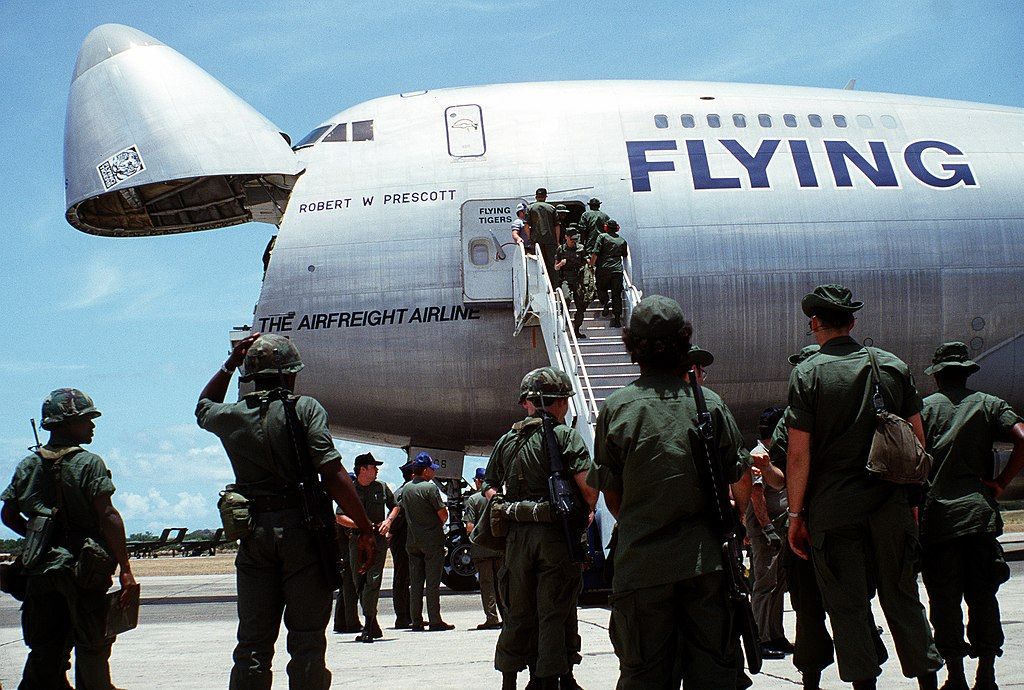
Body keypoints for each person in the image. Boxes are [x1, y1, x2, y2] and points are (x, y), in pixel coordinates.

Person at [588, 295, 753, 689]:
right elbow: (740, 475)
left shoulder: (616, 407)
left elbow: (612, 496)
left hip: (642, 566)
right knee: (714, 674)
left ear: (632, 346)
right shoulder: (708, 403)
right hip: (706, 566)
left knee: (645, 676)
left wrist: (644, 518)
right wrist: (737, 521)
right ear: (684, 342)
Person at [196, 332, 375, 689]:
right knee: (307, 643)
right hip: (303, 534)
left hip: (254, 536)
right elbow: (333, 473)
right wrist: (366, 527)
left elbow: (203, 405)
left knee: (252, 645)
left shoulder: (231, 416)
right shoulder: (305, 408)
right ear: (289, 374)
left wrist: (230, 363)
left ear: (250, 375)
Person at [785, 284, 942, 690]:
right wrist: (910, 500)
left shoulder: (808, 373)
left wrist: (797, 515)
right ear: (853, 321)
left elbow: (798, 455)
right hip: (889, 504)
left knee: (848, 607)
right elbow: (917, 442)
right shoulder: (890, 365)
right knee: (903, 598)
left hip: (833, 510)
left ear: (815, 323)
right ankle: (927, 681)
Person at [1, 388, 138, 690]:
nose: (92, 425)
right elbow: (108, 516)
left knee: (45, 650)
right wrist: (126, 569)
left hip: (39, 573)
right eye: (85, 419)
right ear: (64, 423)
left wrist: (39, 537)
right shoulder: (89, 463)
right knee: (93, 645)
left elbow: (8, 515)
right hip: (82, 572)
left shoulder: (28, 465)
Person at [482, 367, 598, 690]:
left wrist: (512, 507)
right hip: (553, 537)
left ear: (529, 403)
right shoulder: (563, 435)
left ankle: (509, 681)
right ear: (557, 403)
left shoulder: (507, 440)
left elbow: (489, 486)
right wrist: (582, 509)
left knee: (517, 611)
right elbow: (589, 490)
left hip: (517, 538)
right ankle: (546, 681)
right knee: (553, 611)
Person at [920, 342, 1024, 690]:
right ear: (966, 373)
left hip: (939, 522)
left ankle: (956, 677)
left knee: (944, 601)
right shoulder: (989, 404)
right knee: (982, 597)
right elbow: (1022, 437)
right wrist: (1001, 483)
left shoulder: (924, 410)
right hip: (979, 518)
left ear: (936, 377)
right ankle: (987, 676)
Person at [746, 407, 793, 661]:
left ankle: (775, 634)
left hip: (778, 529)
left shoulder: (772, 455)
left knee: (777, 584)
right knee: (764, 584)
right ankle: (760, 638)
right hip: (766, 532)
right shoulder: (758, 457)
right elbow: (756, 496)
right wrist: (767, 528)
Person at [337, 452, 398, 643]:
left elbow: (395, 506)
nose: (377, 469)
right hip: (357, 542)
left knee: (373, 581)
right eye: (373, 467)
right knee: (359, 583)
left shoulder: (381, 487)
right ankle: (373, 623)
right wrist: (360, 524)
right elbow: (339, 516)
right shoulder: (350, 490)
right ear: (363, 469)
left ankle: (368, 628)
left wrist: (388, 521)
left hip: (377, 542)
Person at [401, 452, 454, 631]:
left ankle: (416, 620)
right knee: (432, 584)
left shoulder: (406, 488)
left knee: (415, 584)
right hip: (432, 541)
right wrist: (435, 525)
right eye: (432, 469)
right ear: (425, 471)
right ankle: (434, 620)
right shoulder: (430, 488)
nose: (433, 472)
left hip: (413, 541)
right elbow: (443, 514)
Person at [463, 467, 503, 630]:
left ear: (479, 481)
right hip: (499, 548)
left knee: (487, 586)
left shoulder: (473, 500)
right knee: (502, 584)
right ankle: (507, 616)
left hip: (482, 550)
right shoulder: (500, 498)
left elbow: (470, 527)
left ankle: (492, 618)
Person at [390, 459, 415, 629]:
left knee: (407, 577)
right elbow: (398, 516)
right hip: (402, 540)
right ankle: (402, 616)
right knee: (401, 577)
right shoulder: (403, 492)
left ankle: (409, 614)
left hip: (405, 539)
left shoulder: (404, 490)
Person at [591, 219, 628, 328]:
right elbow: (624, 254)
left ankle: (606, 302)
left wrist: (591, 264)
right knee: (617, 294)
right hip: (617, 270)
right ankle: (617, 319)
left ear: (606, 227)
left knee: (601, 288)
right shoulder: (622, 241)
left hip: (604, 269)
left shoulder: (602, 237)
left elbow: (596, 252)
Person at [555, 227, 590, 339]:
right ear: (566, 237)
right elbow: (555, 267)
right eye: (571, 239)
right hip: (566, 278)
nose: (574, 241)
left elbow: (587, 260)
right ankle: (564, 316)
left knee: (581, 306)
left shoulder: (581, 248)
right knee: (566, 298)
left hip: (578, 279)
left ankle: (577, 329)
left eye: (575, 239)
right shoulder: (561, 249)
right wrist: (561, 264)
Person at [332, 503, 361, 634]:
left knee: (344, 590)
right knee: (349, 590)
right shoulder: (346, 513)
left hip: (343, 554)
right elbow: (351, 534)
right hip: (348, 555)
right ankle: (352, 622)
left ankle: (341, 622)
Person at [527, 188, 560, 283]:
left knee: (539, 263)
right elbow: (556, 226)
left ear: (536, 196)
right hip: (550, 241)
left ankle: (541, 283)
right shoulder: (552, 208)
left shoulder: (530, 208)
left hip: (536, 241)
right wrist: (557, 241)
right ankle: (554, 285)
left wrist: (529, 238)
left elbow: (526, 225)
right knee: (552, 264)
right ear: (545, 197)